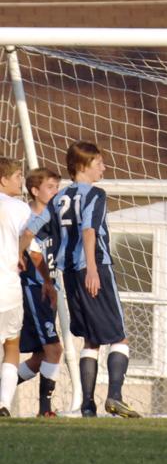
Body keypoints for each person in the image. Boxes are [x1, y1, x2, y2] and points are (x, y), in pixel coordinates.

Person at [24, 141, 140, 418]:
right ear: (82, 166)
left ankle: (88, 405)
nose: (104, 168)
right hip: (93, 268)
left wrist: (18, 253)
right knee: (120, 338)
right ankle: (115, 396)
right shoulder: (95, 194)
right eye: (99, 162)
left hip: (69, 275)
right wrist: (92, 269)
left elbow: (31, 230)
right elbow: (89, 231)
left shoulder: (59, 197)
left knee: (91, 339)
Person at [17, 168, 63, 417]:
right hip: (36, 289)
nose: (56, 192)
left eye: (57, 187)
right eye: (50, 187)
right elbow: (34, 253)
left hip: (49, 287)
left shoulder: (53, 216)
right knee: (54, 350)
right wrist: (47, 281)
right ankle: (45, 410)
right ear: (35, 191)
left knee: (39, 358)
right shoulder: (29, 219)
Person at [0, 157, 31, 417]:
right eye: (18, 175)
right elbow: (31, 233)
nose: (22, 180)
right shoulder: (19, 208)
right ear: (3, 180)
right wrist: (19, 251)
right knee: (11, 345)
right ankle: (4, 404)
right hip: (7, 287)